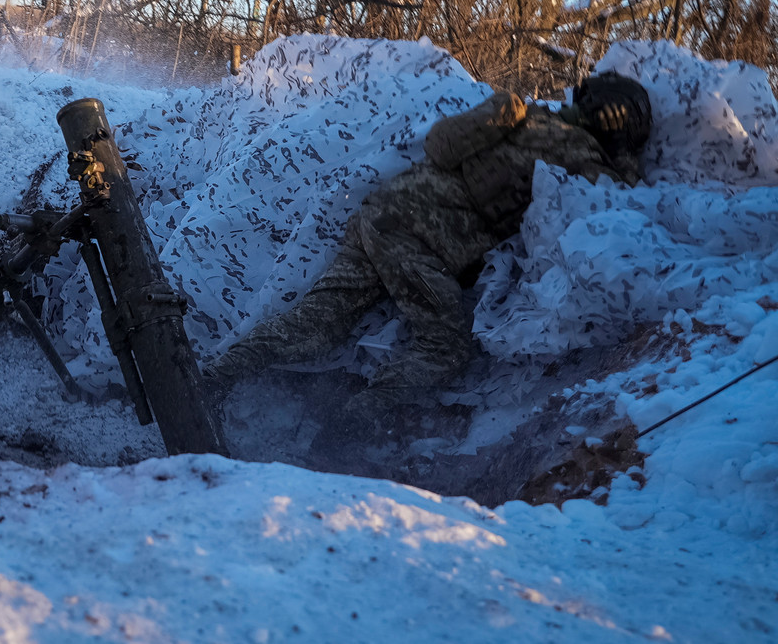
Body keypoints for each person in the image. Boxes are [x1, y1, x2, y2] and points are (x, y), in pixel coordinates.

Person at [204, 72, 652, 429]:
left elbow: (622, 206)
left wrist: (619, 151)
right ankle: (350, 425)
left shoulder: (576, 150)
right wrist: (501, 114)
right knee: (446, 348)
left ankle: (217, 377)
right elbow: (440, 146)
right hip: (412, 234)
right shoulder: (525, 116)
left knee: (319, 324)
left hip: (387, 220)